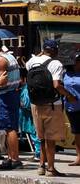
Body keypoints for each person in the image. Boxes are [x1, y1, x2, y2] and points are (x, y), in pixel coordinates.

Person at [24, 38, 68, 176]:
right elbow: (56, 85)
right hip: (52, 105)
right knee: (51, 138)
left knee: (41, 137)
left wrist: (39, 54)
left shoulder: (31, 62)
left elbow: (27, 66)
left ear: (43, 49)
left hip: (35, 104)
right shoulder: (56, 63)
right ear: (55, 50)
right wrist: (70, 96)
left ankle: (41, 166)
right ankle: (51, 168)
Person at [0, 38, 23, 170]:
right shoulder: (10, 57)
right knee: (11, 126)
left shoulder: (0, 60)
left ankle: (14, 159)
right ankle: (10, 158)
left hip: (6, 95)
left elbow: (3, 80)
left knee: (9, 128)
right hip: (13, 93)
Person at [64, 53, 80, 167]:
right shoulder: (66, 74)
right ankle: (79, 157)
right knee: (77, 133)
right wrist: (69, 96)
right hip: (72, 108)